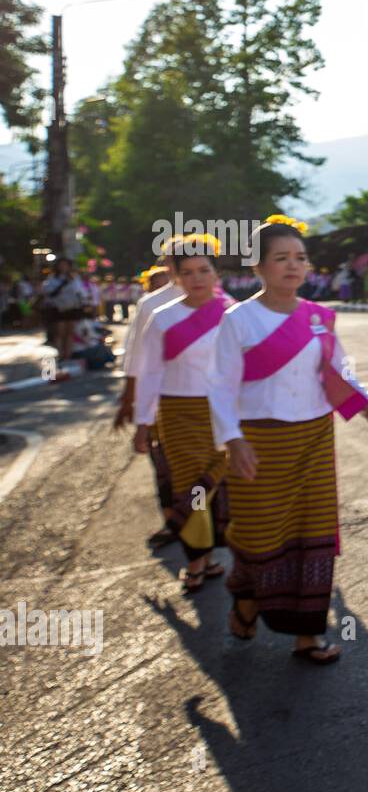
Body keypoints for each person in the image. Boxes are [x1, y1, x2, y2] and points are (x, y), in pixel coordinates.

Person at [208, 215, 368, 664]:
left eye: (300, 258)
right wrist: (234, 441)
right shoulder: (239, 321)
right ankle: (246, 600)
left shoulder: (319, 318)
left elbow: (340, 371)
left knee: (312, 536)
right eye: (281, 258)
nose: (293, 266)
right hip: (259, 444)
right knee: (259, 536)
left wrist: (366, 403)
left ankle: (308, 635)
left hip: (313, 441)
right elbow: (221, 388)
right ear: (258, 267)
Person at [132, 234, 232, 591]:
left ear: (216, 272)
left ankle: (204, 548)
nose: (197, 278)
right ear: (175, 275)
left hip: (221, 414)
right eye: (187, 272)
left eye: (204, 270)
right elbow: (149, 374)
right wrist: (143, 423)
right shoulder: (160, 317)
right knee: (189, 485)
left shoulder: (232, 313)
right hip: (176, 414)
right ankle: (196, 560)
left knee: (212, 484)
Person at [115, 243, 183, 549]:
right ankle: (172, 521)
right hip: (160, 403)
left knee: (204, 473)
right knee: (165, 465)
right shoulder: (151, 305)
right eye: (177, 259)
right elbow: (135, 359)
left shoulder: (219, 303)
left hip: (205, 408)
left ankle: (200, 539)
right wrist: (128, 402)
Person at [41, 258, 88, 361]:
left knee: (70, 332)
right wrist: (64, 284)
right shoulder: (53, 278)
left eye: (65, 265)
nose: (63, 267)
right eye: (61, 265)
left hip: (72, 307)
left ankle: (68, 354)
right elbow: (49, 292)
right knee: (59, 332)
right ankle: (60, 353)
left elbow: (80, 292)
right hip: (58, 308)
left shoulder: (74, 278)